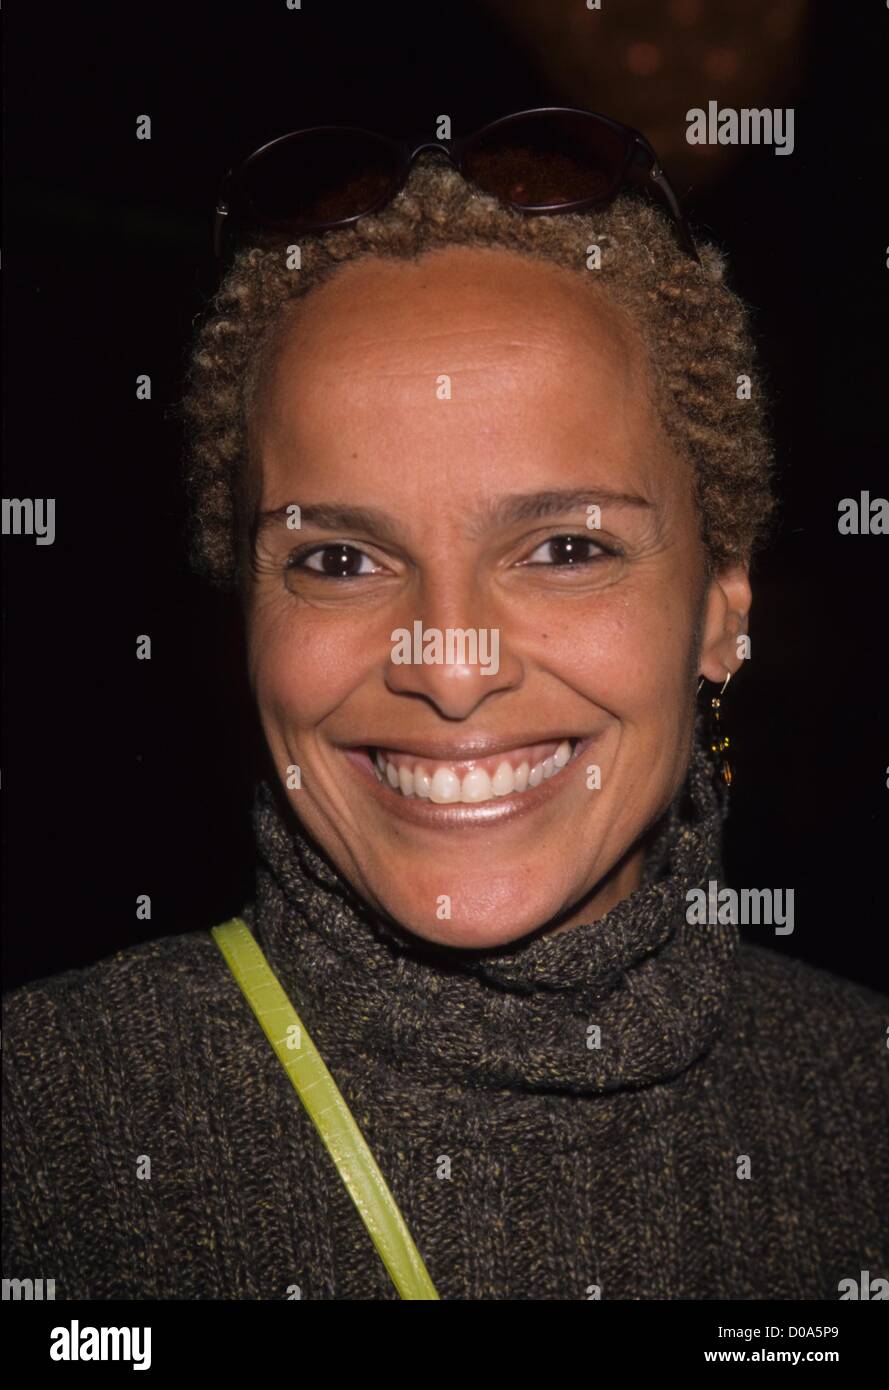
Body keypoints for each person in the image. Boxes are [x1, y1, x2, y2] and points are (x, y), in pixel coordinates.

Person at [3, 112, 887, 1300]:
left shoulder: (860, 1102)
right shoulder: (47, 1132)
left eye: (566, 546)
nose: (451, 663)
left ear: (723, 607)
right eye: (340, 561)